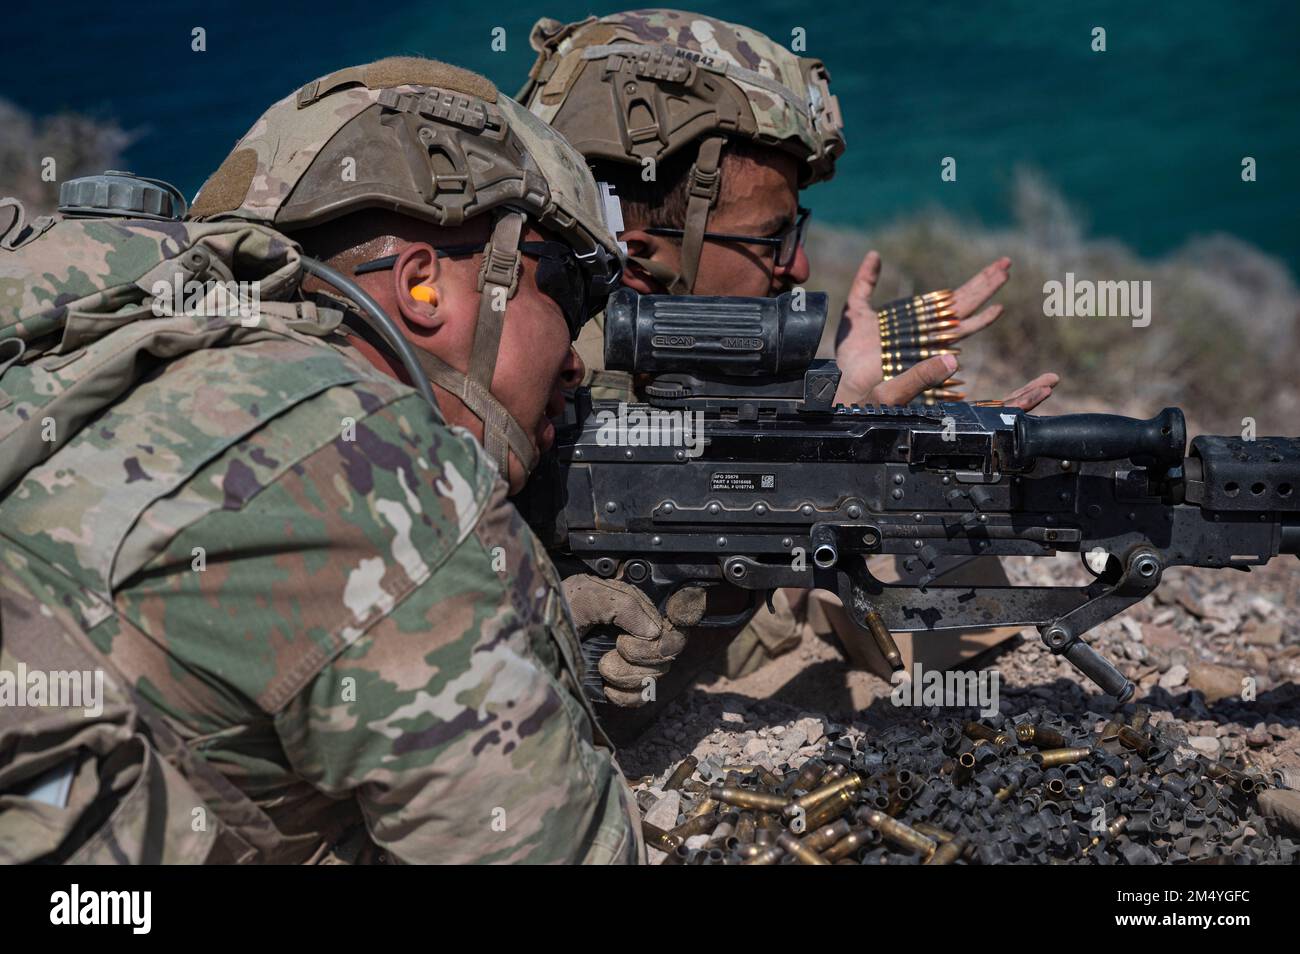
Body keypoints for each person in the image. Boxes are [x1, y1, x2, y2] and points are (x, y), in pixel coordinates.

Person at [0, 57, 643, 863]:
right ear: (420, 286)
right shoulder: (370, 466)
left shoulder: (81, 328)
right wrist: (474, 592)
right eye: (567, 291)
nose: (578, 357)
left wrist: (516, 608)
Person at [518, 10, 1059, 700]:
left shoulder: (678, 376)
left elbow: (948, 645)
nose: (798, 266)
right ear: (636, 241)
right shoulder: (529, 399)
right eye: (770, 238)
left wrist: (857, 448)